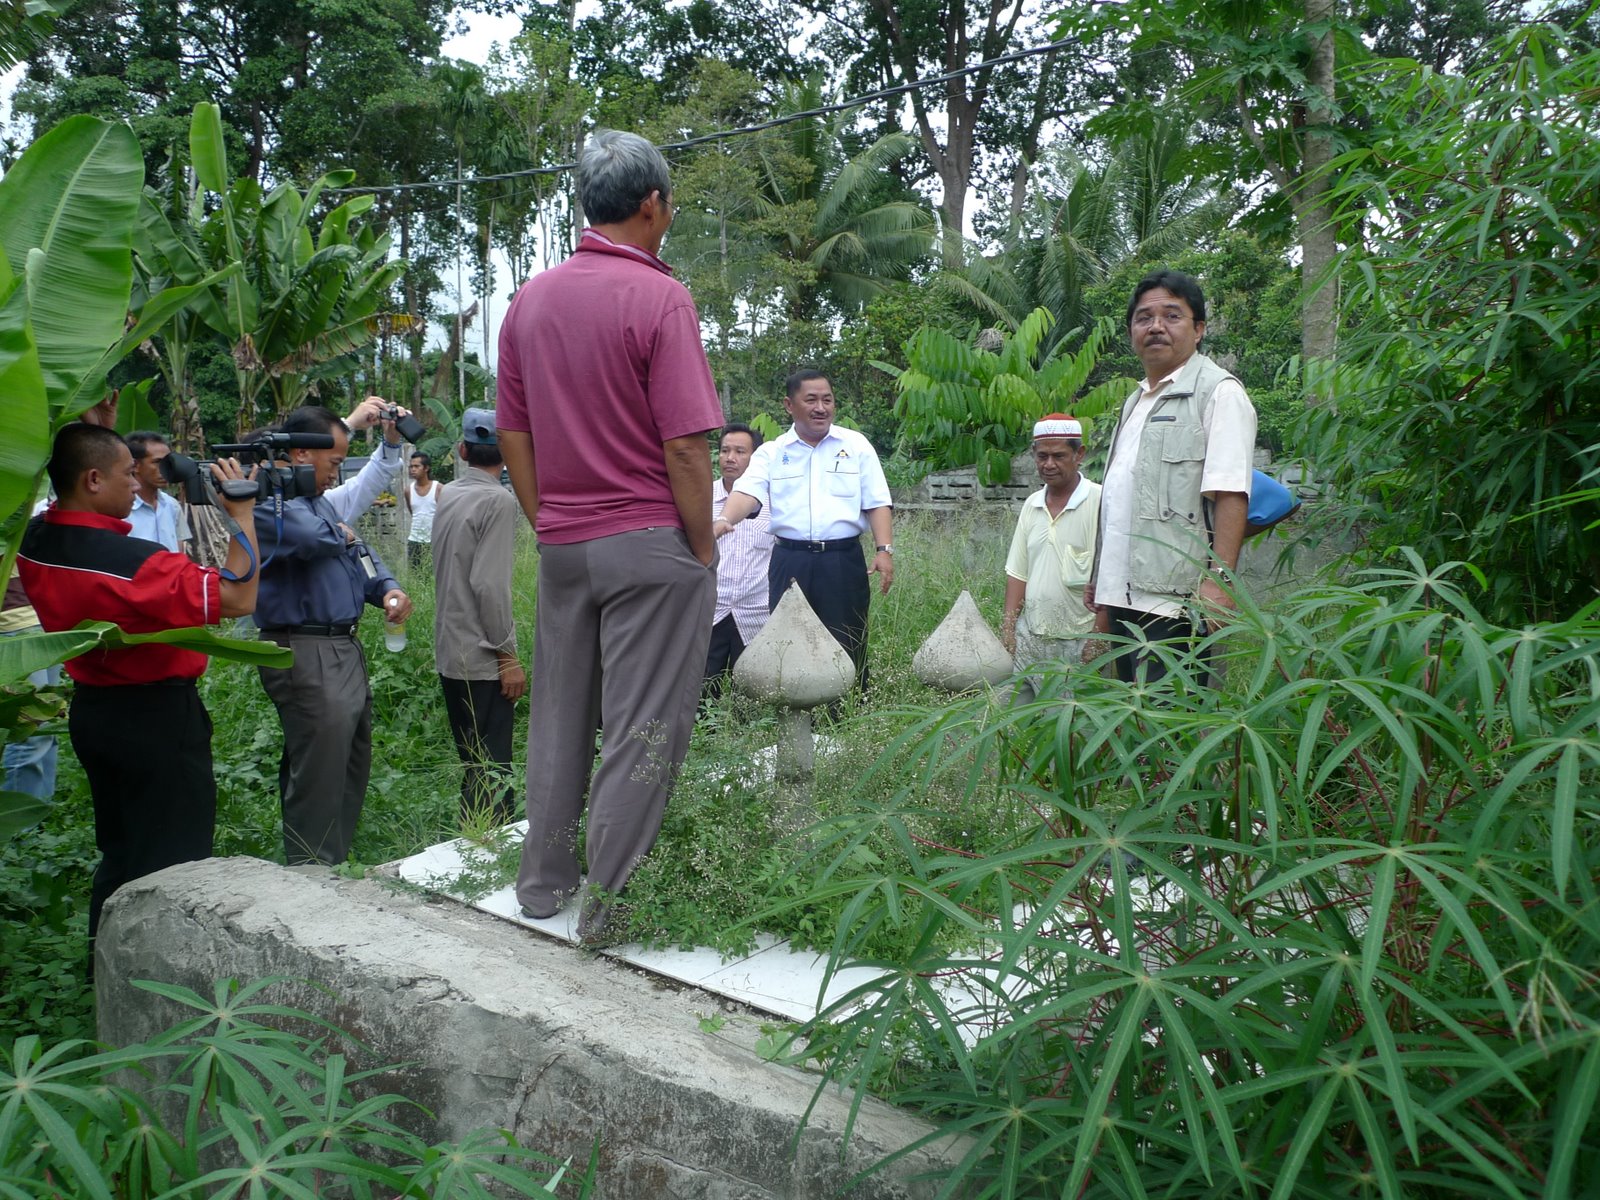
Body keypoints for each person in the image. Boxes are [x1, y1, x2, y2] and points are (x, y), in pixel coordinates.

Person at [496, 129, 722, 944]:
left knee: (559, 715)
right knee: (642, 726)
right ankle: (613, 905)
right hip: (650, 540)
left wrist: (548, 520)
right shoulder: (660, 296)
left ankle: (542, 883)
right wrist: (702, 547)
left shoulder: (530, 300)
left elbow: (513, 435)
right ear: (654, 203)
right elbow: (687, 447)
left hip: (565, 545)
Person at [17, 422, 261, 943]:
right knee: (174, 862)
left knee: (122, 851)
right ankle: (157, 985)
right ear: (92, 479)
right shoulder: (137, 566)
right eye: (129, 473)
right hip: (156, 721)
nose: (138, 485)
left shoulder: (35, 540)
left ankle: (101, 967)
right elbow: (239, 597)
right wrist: (241, 515)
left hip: (95, 712)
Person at [254, 402, 414, 866]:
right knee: (319, 771)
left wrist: (387, 587)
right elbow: (308, 539)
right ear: (302, 455)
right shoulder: (266, 499)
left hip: (341, 646)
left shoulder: (318, 502)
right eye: (334, 463)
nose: (335, 473)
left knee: (348, 761)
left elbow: (357, 548)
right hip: (303, 646)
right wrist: (341, 536)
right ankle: (310, 872)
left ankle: (332, 863)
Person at [1086, 269, 1257, 686]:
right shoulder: (1135, 401)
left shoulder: (1219, 393)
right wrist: (1103, 589)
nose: (1156, 326)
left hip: (1178, 598)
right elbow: (1122, 502)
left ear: (1198, 329)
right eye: (1144, 317)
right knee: (1134, 721)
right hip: (1124, 593)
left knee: (1171, 726)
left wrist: (1220, 584)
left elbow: (1231, 492)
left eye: (1172, 316)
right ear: (1131, 331)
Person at [714, 370, 894, 692]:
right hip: (789, 561)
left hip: (842, 560)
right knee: (788, 641)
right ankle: (796, 722)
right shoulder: (772, 452)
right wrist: (725, 519)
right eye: (811, 400)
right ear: (789, 405)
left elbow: (878, 501)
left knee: (846, 640)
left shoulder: (855, 445)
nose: (821, 407)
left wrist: (884, 551)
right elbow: (747, 493)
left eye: (827, 400)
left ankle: (844, 723)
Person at [431, 408, 526, 825]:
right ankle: (488, 849)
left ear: (462, 449)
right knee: (492, 767)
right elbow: (489, 585)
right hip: (483, 657)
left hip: (451, 652)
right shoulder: (497, 500)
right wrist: (507, 655)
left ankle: (472, 839)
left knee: (473, 763)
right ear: (505, 452)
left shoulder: (448, 494)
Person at [1001, 415, 1102, 700]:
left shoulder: (1101, 502)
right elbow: (1018, 572)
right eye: (1041, 456)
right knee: (1013, 725)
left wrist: (1097, 638)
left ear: (1079, 454)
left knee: (1068, 731)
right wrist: (1009, 627)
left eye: (1059, 456)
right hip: (1029, 637)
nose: (1048, 464)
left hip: (1078, 642)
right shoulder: (1031, 505)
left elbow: (1113, 576)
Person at [703, 422, 774, 701]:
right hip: (710, 611)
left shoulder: (772, 503)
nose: (730, 458)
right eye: (724, 450)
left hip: (756, 615)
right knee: (703, 693)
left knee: (753, 698)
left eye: (740, 452)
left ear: (755, 458)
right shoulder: (700, 498)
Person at [124, 431, 193, 555]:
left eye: (168, 462)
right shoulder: (122, 511)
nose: (166, 468)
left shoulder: (172, 505)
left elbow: (179, 550)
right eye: (157, 462)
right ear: (135, 465)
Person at [403, 451, 441, 569]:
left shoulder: (439, 488)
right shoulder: (408, 491)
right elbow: (413, 512)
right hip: (414, 540)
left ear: (426, 468)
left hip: (434, 541)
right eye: (411, 467)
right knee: (415, 578)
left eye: (417, 466)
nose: (413, 470)